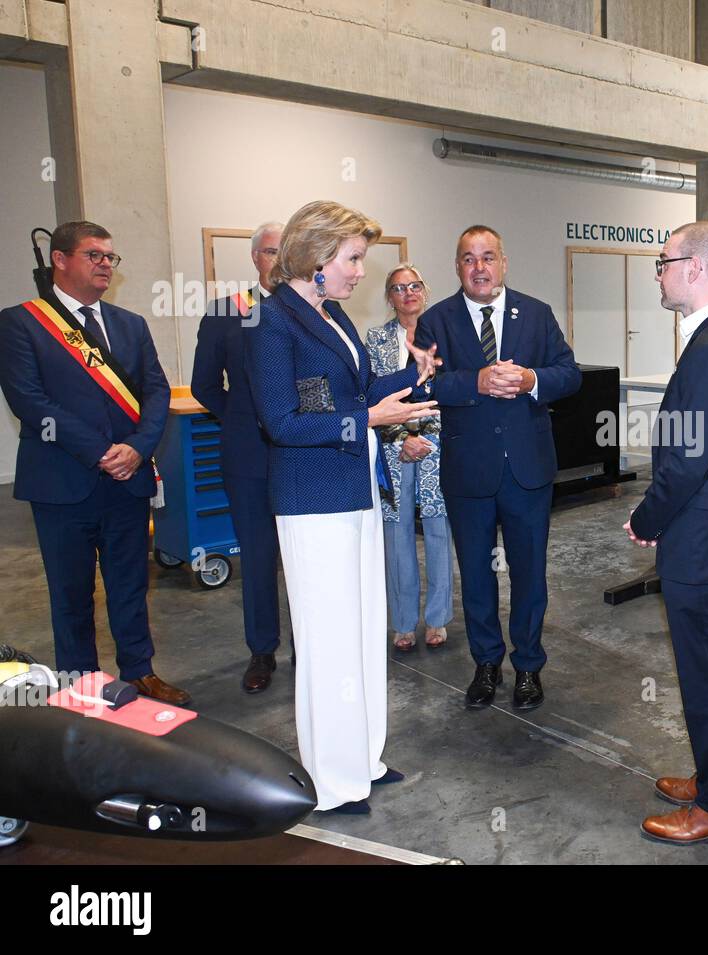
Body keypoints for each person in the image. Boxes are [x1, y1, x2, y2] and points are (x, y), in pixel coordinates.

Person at [244, 200, 437, 815]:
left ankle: (363, 758)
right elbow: (282, 423)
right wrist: (369, 421)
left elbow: (351, 396)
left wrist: (411, 376)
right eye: (353, 259)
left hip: (354, 494)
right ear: (318, 255)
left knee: (360, 634)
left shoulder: (330, 317)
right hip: (311, 502)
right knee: (327, 642)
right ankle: (330, 780)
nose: (360, 272)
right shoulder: (272, 323)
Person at [0, 220, 190, 704]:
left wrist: (137, 448)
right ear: (60, 260)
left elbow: (155, 391)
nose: (106, 264)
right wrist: (101, 452)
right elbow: (30, 400)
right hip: (63, 483)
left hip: (127, 481)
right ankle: (82, 688)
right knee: (71, 596)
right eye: (94, 255)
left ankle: (141, 673)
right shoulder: (21, 323)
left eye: (111, 257)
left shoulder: (130, 324)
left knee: (130, 586)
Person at [625, 221, 708, 845]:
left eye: (663, 262)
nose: (658, 272)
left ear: (695, 268)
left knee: (705, 673)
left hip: (701, 544)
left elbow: (686, 459)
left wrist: (647, 518)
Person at [415, 226, 581, 711]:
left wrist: (531, 379)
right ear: (458, 267)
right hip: (469, 473)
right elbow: (422, 389)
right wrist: (476, 382)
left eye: (488, 257)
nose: (479, 267)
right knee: (478, 575)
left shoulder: (536, 313)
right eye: (469, 259)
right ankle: (486, 664)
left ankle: (528, 666)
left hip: (527, 471)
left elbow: (569, 374)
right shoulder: (437, 321)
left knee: (530, 574)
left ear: (503, 263)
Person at [191, 221, 285, 693]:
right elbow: (206, 385)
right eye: (271, 251)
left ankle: (316, 644)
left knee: (309, 553)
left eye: (287, 251)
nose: (279, 260)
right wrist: (244, 420)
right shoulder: (228, 313)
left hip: (304, 455)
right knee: (259, 554)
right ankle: (262, 650)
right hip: (248, 456)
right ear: (255, 258)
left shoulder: (312, 310)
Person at [364, 264, 454, 652]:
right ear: (389, 297)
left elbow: (456, 392)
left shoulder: (447, 334)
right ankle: (402, 623)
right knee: (397, 536)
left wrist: (423, 436)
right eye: (398, 288)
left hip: (437, 443)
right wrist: (403, 436)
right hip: (392, 445)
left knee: (438, 531)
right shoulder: (376, 339)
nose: (408, 293)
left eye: (414, 285)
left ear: (426, 290)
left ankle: (437, 619)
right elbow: (371, 395)